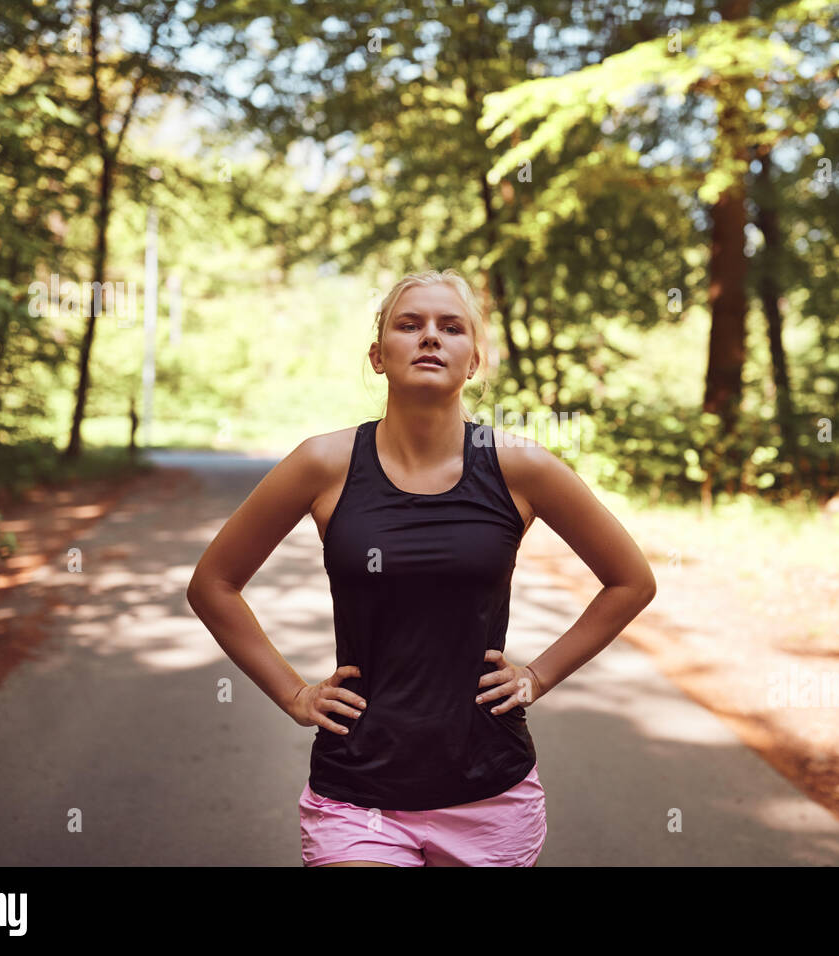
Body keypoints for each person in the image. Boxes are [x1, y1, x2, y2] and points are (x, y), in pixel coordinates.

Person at [187, 268, 657, 866]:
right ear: (378, 356)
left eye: (450, 327)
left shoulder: (519, 465)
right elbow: (214, 585)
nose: (430, 336)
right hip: (357, 794)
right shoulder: (322, 464)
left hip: (490, 792)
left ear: (474, 361)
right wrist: (294, 694)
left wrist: (537, 676)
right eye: (409, 325)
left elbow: (631, 581)